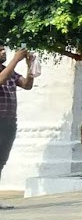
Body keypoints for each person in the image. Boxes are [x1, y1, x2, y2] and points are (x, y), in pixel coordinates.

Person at [0, 47, 37, 200]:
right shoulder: (6, 71)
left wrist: (30, 66)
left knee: (1, 160)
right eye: (0, 50)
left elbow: (27, 85)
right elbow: (1, 80)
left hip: (9, 122)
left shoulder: (9, 71)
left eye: (4, 49)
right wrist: (15, 59)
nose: (3, 52)